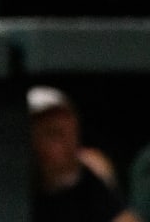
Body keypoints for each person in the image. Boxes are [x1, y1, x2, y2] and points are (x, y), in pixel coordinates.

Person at [30, 85, 140, 222]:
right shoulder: (17, 185)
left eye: (60, 117)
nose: (55, 127)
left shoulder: (89, 176)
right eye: (42, 123)